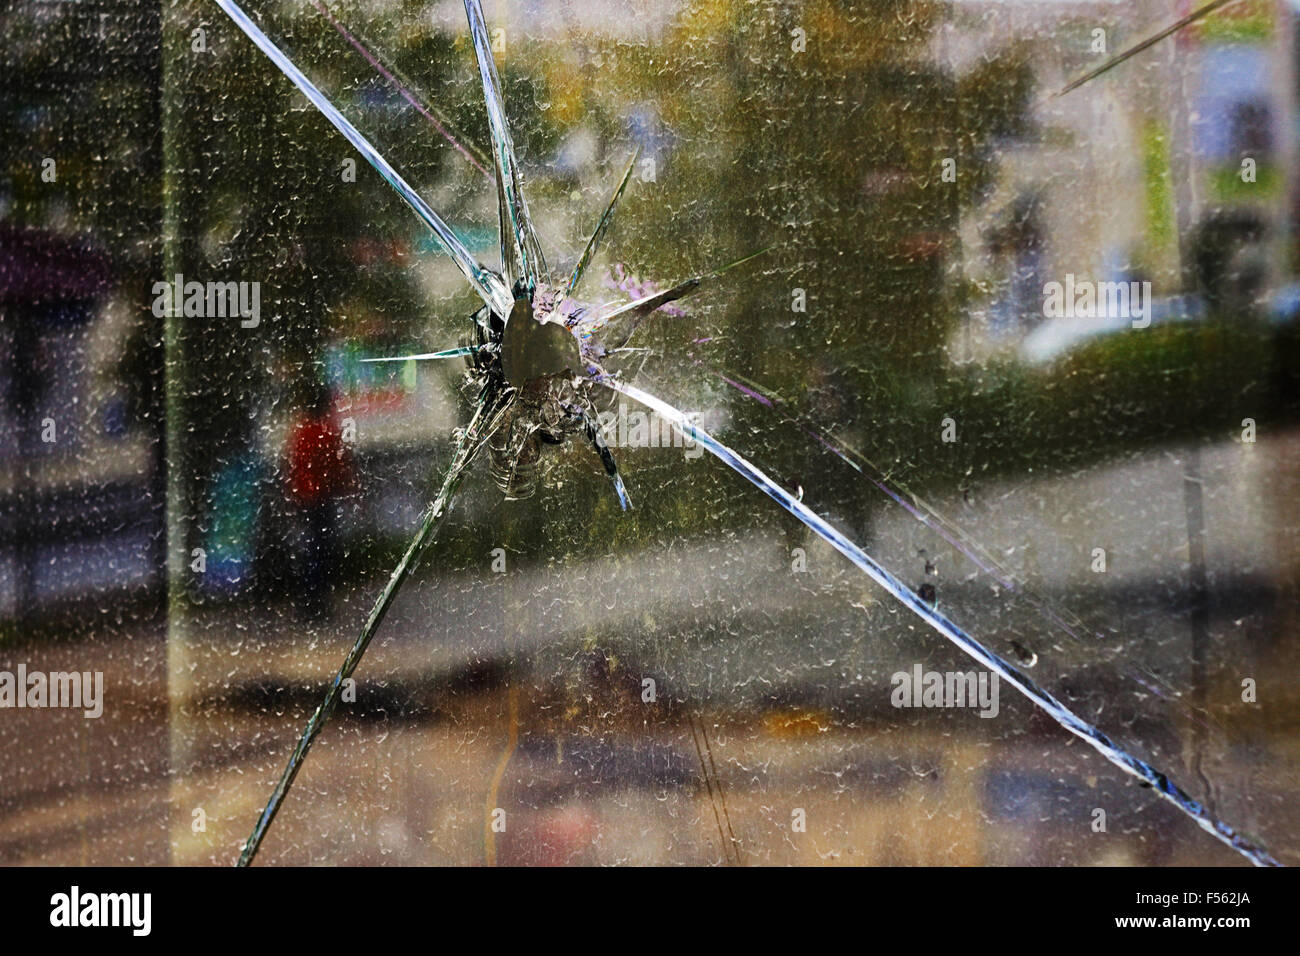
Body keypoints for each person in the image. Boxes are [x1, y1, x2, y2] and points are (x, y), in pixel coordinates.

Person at [285, 380, 355, 621]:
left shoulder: (301, 431)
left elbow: (294, 468)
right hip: (321, 499)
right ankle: (317, 602)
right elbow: (337, 467)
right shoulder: (325, 431)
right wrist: (347, 489)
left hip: (305, 498)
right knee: (321, 550)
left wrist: (294, 495)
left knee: (310, 550)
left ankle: (308, 602)